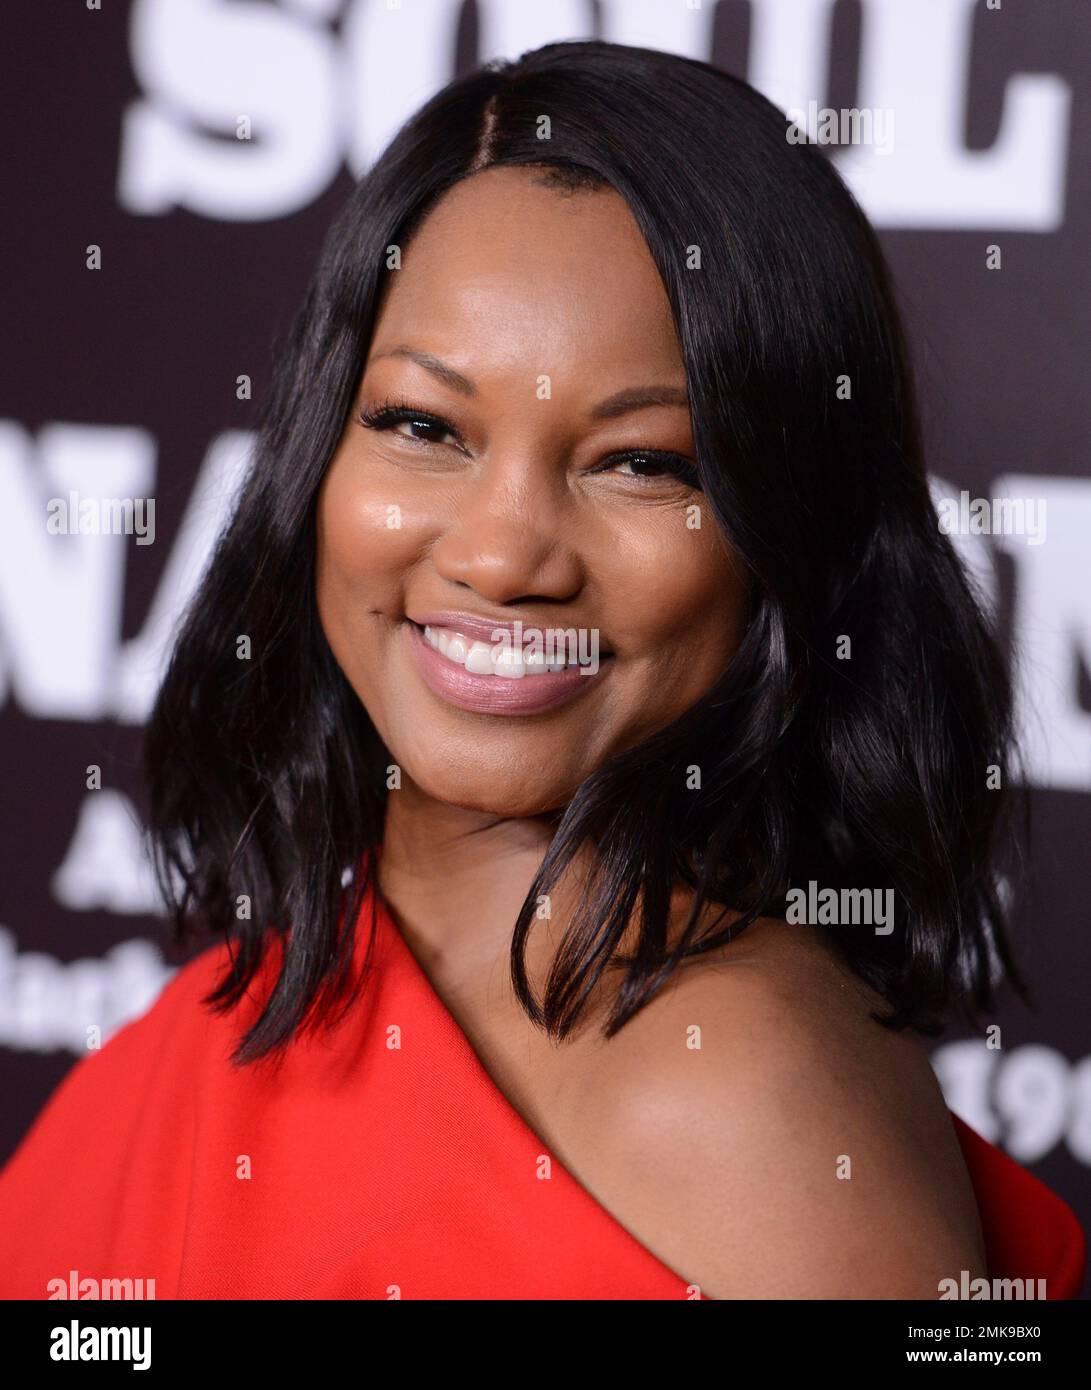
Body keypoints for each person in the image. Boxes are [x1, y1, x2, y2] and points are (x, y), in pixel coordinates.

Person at [0, 39, 1082, 1301]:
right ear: (314, 464)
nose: (503, 553)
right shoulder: (198, 1037)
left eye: (641, 462)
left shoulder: (741, 1091)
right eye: (421, 426)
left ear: (784, 529)